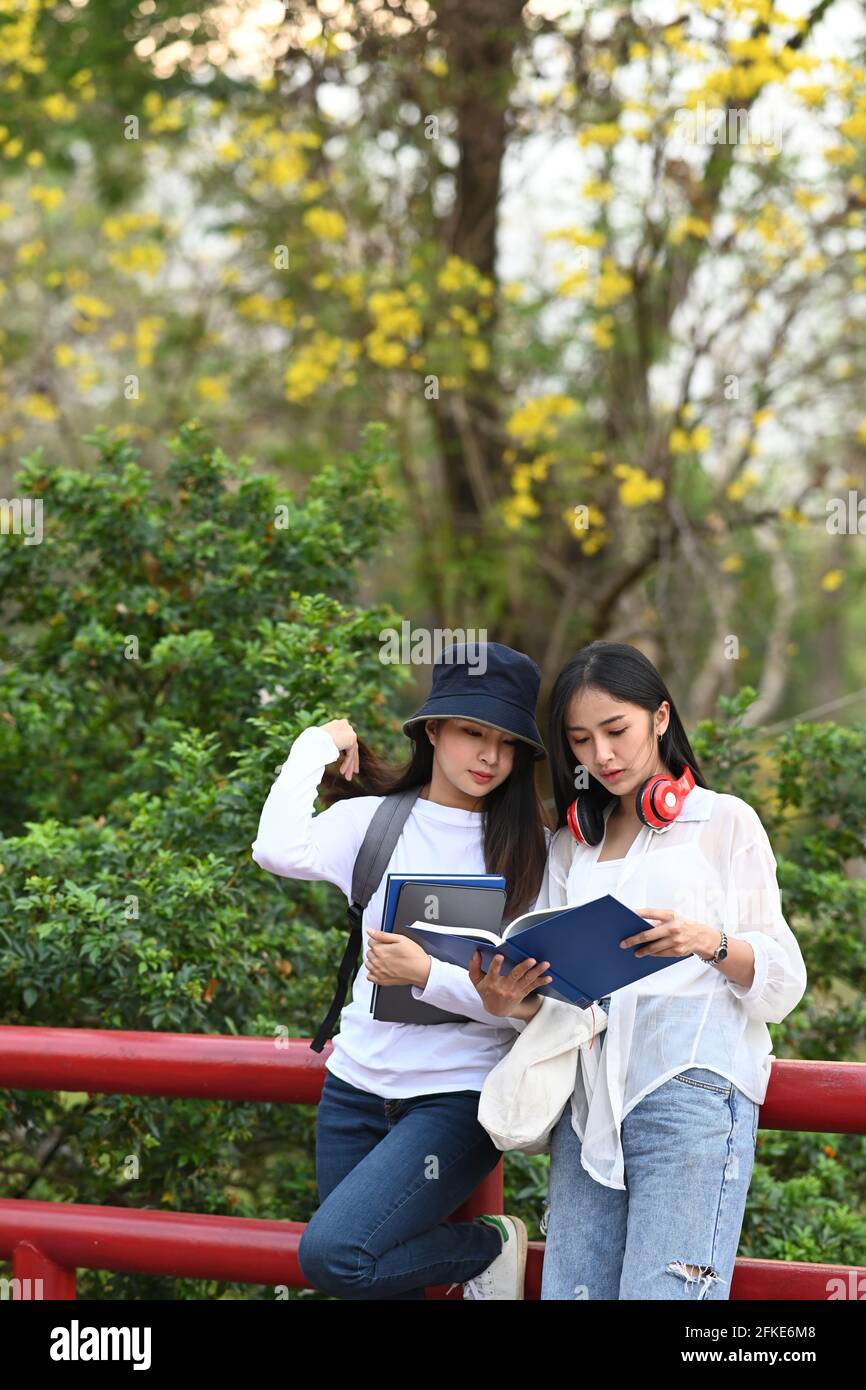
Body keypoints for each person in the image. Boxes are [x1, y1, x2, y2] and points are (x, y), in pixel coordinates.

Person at [470, 640, 808, 1300]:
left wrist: (706, 941)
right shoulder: (573, 847)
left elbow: (784, 980)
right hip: (588, 1106)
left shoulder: (724, 822)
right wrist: (511, 999)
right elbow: (561, 995)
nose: (603, 756)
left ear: (660, 717)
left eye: (616, 730)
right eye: (582, 741)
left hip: (690, 1094)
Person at [251, 642, 551, 1299]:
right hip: (354, 1087)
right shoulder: (372, 823)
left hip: (458, 1098)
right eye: (472, 733)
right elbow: (274, 848)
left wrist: (428, 975)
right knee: (365, 1284)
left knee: (336, 1257)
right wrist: (317, 743)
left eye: (505, 743)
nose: (488, 757)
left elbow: (536, 1003)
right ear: (434, 730)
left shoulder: (536, 853)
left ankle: (489, 1247)